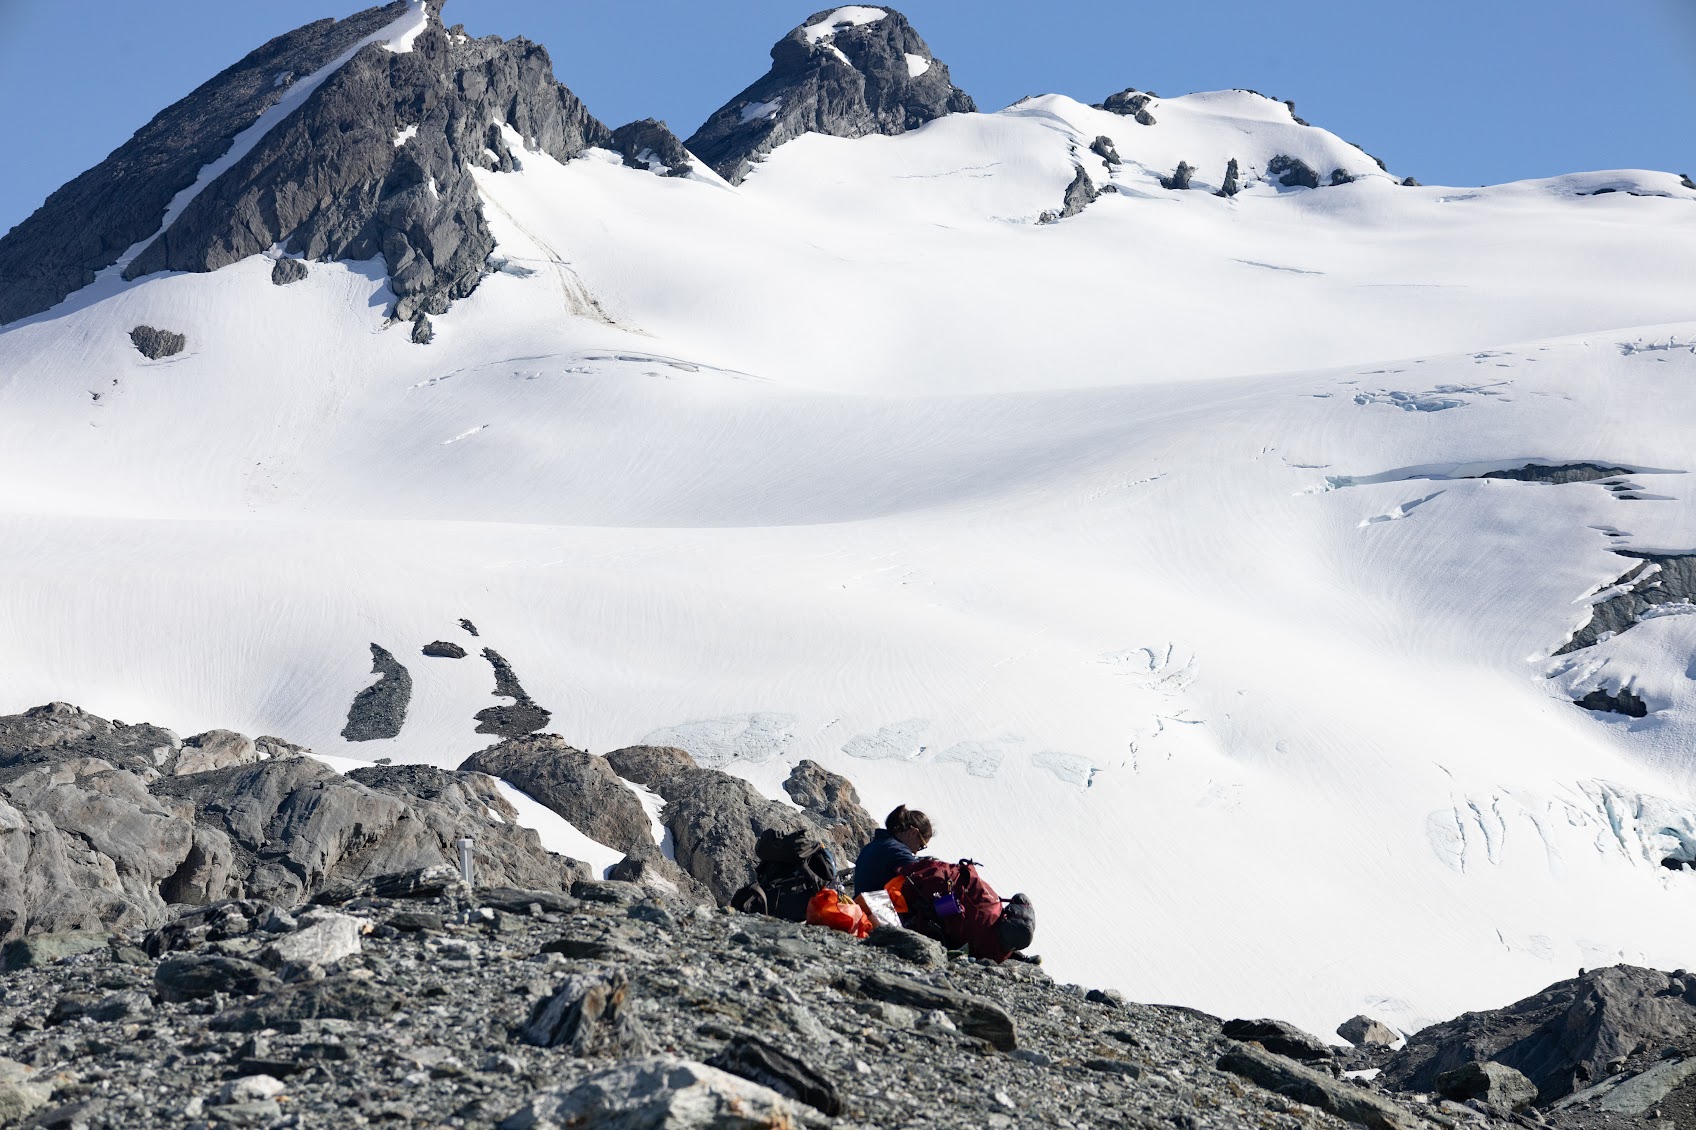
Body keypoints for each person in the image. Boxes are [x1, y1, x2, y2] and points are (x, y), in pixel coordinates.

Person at [853, 804, 933, 896]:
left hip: (863, 906)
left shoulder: (872, 846)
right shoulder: (896, 850)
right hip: (876, 909)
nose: (916, 852)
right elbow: (921, 875)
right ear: (913, 833)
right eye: (921, 845)